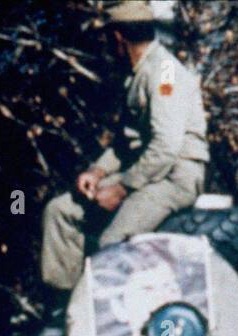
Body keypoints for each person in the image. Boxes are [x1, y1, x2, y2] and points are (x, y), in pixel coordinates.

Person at [40, 1, 209, 297]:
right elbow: (124, 143)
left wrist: (120, 189)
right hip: (148, 173)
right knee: (60, 212)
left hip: (174, 178)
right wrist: (98, 171)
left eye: (107, 38)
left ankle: (111, 327)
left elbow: (166, 147)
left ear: (118, 38)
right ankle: (63, 307)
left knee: (112, 245)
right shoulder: (138, 74)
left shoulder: (165, 72)